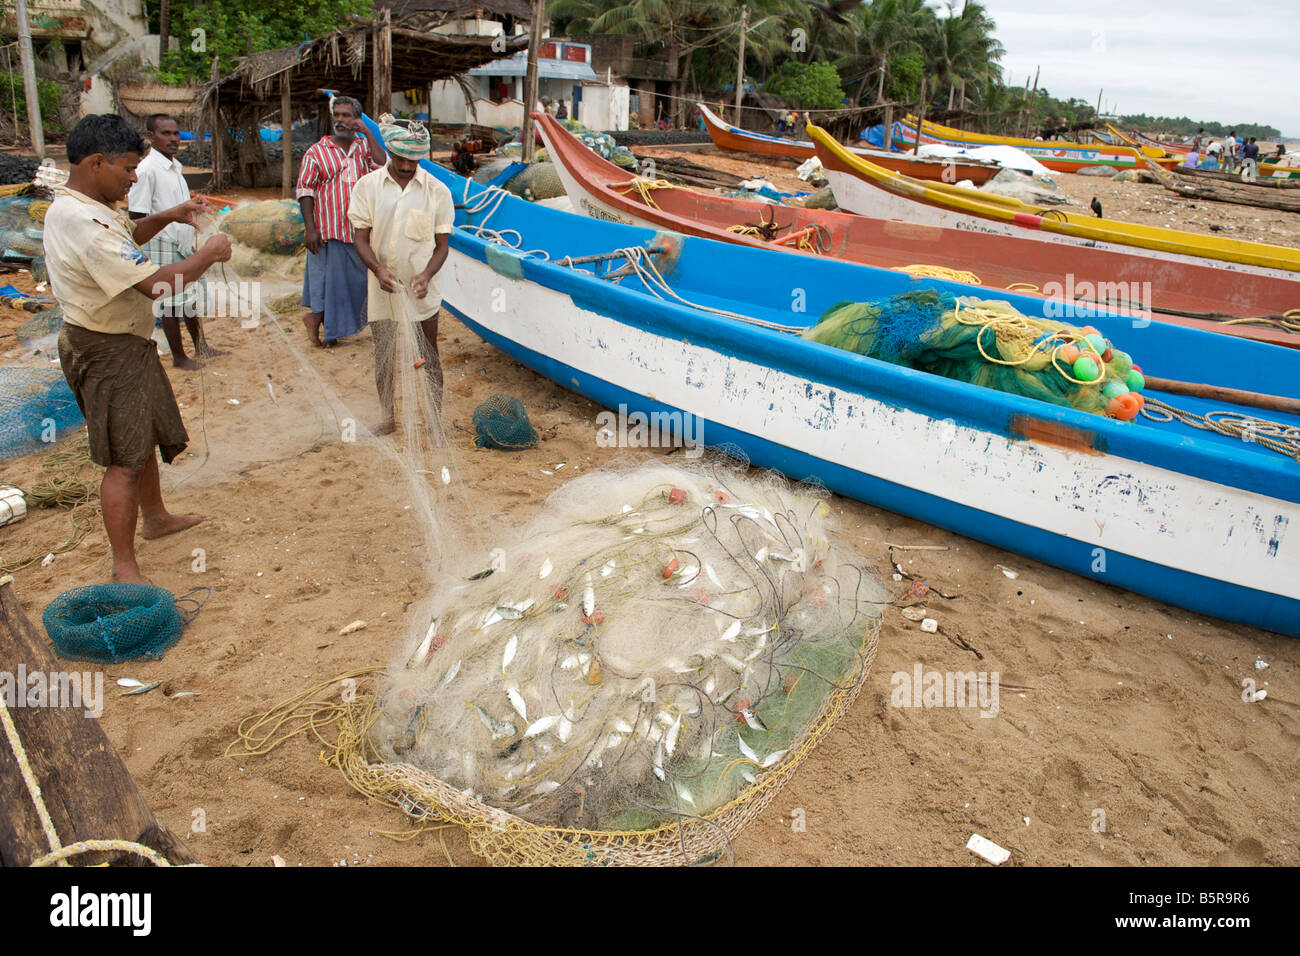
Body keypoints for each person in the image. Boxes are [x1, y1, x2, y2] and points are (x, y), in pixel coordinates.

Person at [44, 114, 232, 584]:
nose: (133, 178)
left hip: (125, 341)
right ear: (97, 162)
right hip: (106, 350)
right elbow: (156, 287)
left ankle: (156, 518)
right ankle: (124, 566)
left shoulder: (89, 205)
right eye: (128, 170)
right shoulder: (81, 221)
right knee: (124, 461)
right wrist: (207, 254)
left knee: (140, 436)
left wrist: (169, 215)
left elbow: (126, 235)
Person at [349, 117, 455, 436]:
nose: (408, 165)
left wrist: (426, 275)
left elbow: (441, 247)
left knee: (429, 355)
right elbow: (360, 238)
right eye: (401, 158)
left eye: (414, 159)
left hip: (422, 291)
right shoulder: (367, 187)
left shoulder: (437, 192)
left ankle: (435, 419)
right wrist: (378, 269)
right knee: (383, 355)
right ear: (390, 151)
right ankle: (387, 416)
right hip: (382, 287)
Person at [127, 113, 223, 370]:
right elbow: (136, 217)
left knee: (188, 296)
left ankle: (200, 344)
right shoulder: (147, 170)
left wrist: (194, 206)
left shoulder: (174, 168)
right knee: (169, 301)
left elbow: (178, 206)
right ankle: (180, 357)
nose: (173, 139)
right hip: (161, 242)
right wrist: (170, 218)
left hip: (180, 241)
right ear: (151, 136)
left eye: (175, 133)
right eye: (165, 134)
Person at [296, 95, 378, 348]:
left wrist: (367, 132)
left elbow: (383, 164)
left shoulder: (364, 147)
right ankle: (322, 327)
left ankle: (325, 323)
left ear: (356, 118)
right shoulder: (317, 151)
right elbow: (305, 191)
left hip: (358, 231)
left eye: (346, 115)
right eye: (337, 115)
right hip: (328, 231)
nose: (340, 120)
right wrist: (311, 229)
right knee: (326, 285)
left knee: (356, 283)